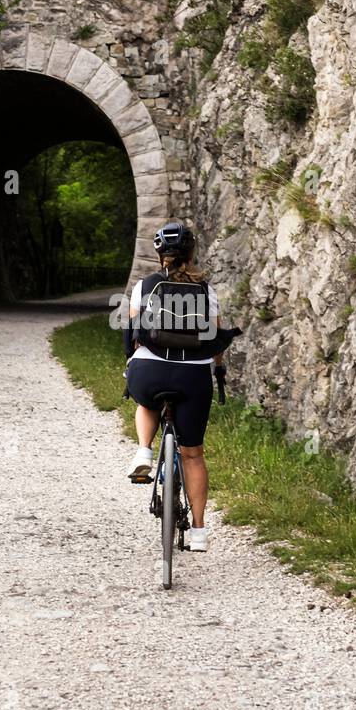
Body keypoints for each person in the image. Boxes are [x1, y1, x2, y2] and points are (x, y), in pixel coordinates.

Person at [123, 222, 238, 552]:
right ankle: (199, 532)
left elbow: (130, 331)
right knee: (193, 454)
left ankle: (144, 449)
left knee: (145, 399)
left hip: (149, 371)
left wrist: (131, 364)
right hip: (193, 378)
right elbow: (216, 341)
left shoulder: (144, 287)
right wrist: (218, 371)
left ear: (159, 254)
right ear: (191, 253)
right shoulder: (206, 290)